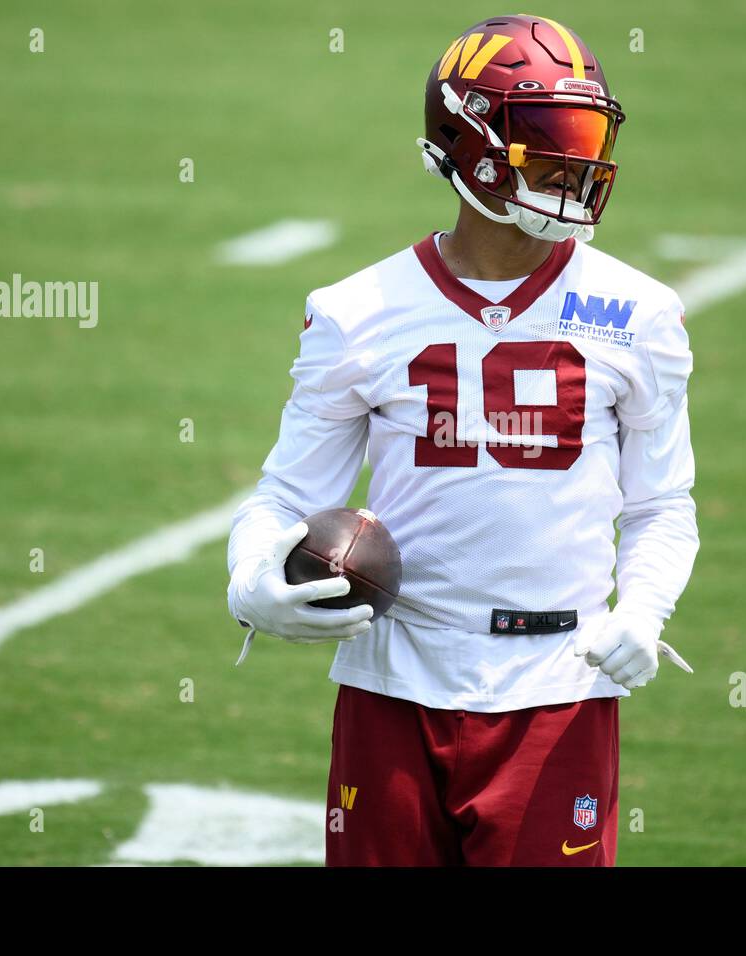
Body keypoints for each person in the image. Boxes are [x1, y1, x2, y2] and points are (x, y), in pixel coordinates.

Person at [226, 13, 698, 866]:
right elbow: (286, 499)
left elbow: (664, 504)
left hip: (560, 688)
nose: (579, 161)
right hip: (394, 683)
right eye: (549, 136)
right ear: (471, 142)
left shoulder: (641, 314)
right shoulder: (357, 312)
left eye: (587, 133)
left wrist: (646, 608)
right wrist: (251, 580)